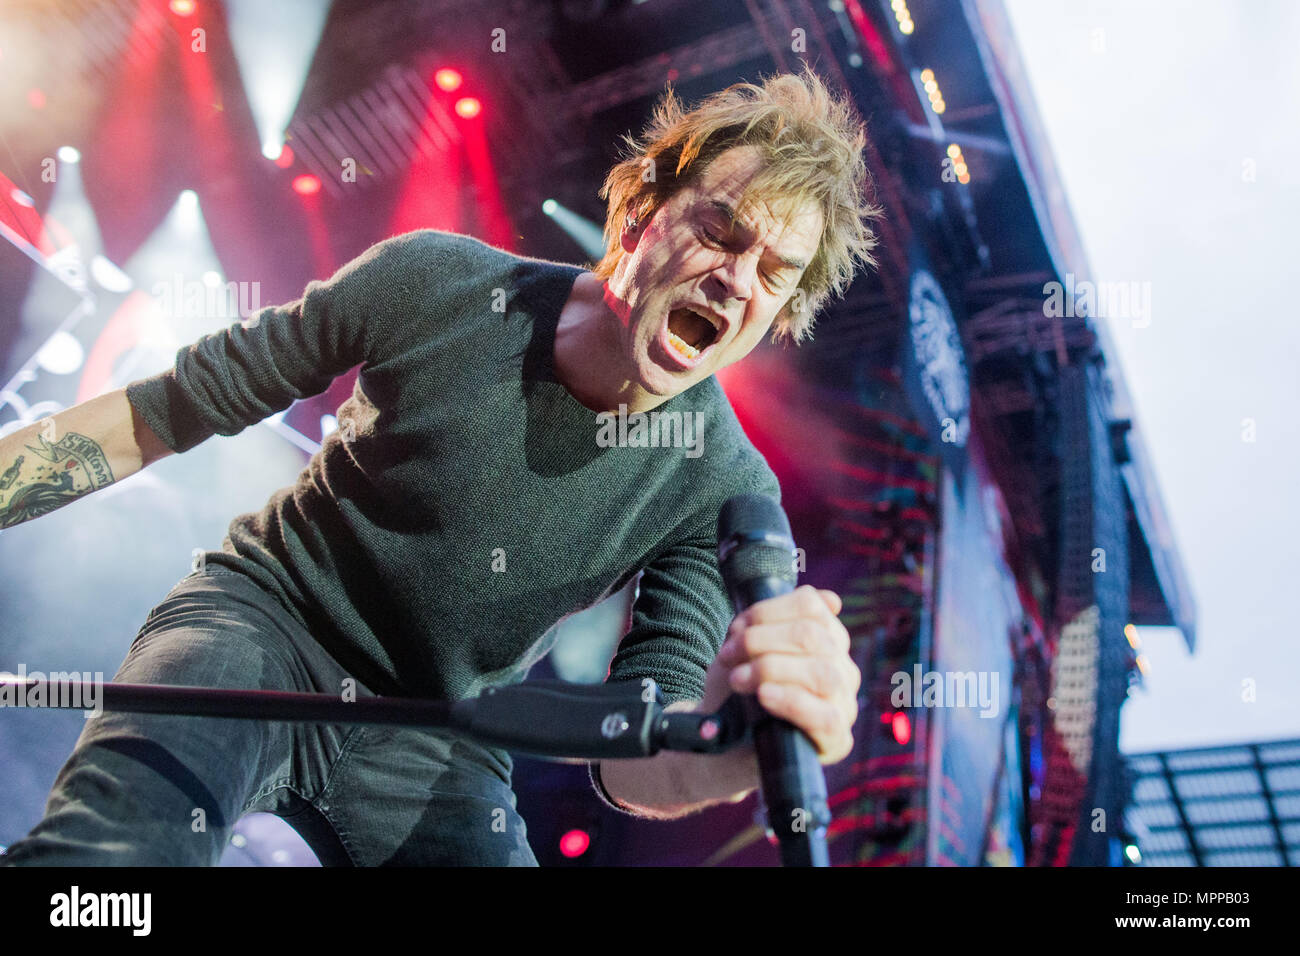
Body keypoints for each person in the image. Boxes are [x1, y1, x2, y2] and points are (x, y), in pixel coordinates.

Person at [0, 66, 879, 865]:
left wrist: (726, 750)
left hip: (445, 734)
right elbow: (172, 407)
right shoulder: (436, 282)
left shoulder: (724, 487)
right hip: (261, 627)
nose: (737, 279)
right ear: (642, 217)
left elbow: (631, 761)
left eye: (775, 274)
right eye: (721, 230)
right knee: (109, 866)